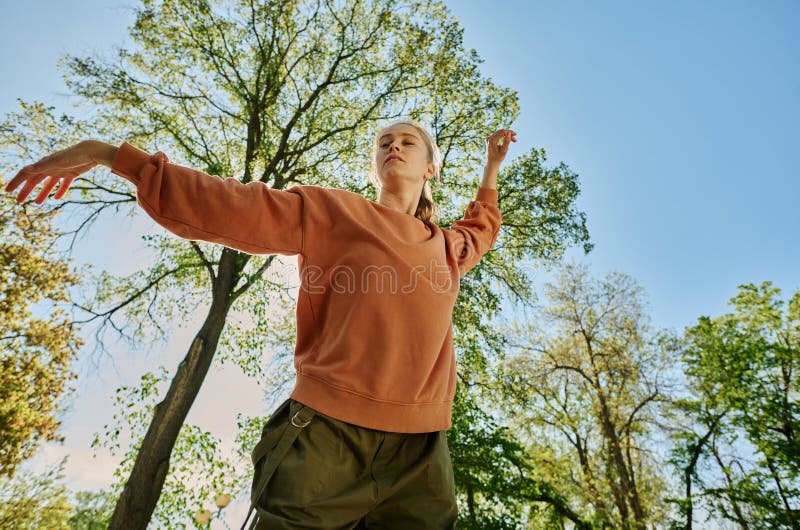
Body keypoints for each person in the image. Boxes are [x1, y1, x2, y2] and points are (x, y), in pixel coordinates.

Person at [4, 119, 516, 529]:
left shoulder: (450, 249)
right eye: (385, 142)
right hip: (325, 436)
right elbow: (230, 205)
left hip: (422, 453)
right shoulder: (333, 212)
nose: (394, 147)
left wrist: (491, 167)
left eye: (408, 142)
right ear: (375, 164)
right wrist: (111, 155)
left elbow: (483, 224)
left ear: (431, 169)